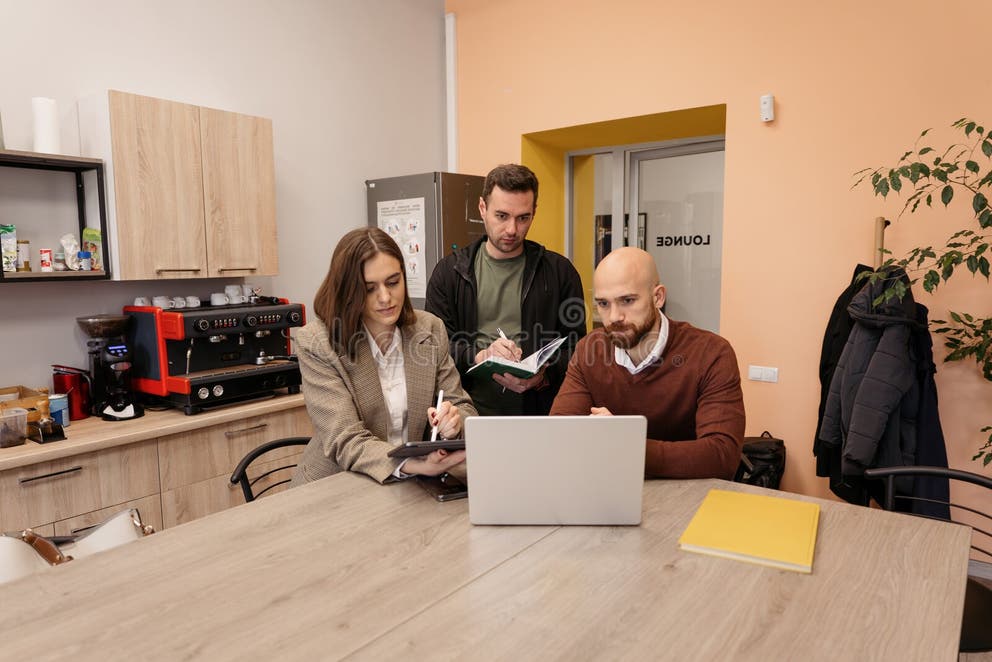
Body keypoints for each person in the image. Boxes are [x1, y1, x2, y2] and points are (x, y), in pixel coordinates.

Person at [291, 228, 476, 485]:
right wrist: (413, 465)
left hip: (412, 486)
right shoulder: (317, 342)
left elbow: (464, 408)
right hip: (337, 486)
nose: (386, 297)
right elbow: (346, 440)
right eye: (369, 289)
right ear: (348, 291)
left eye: (393, 282)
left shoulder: (430, 329)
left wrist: (453, 424)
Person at [550, 247, 745, 479]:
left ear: (658, 297)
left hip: (691, 500)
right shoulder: (588, 351)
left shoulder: (711, 354)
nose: (614, 317)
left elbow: (722, 457)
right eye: (603, 304)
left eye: (627, 300)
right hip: (609, 493)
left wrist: (628, 444)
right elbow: (559, 437)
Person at [425, 163, 586, 416]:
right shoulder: (449, 273)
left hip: (540, 414)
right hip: (468, 414)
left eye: (523, 218)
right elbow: (433, 347)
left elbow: (578, 348)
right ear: (482, 209)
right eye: (502, 216)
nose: (512, 229)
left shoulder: (560, 272)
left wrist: (543, 375)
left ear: (534, 212)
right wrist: (480, 356)